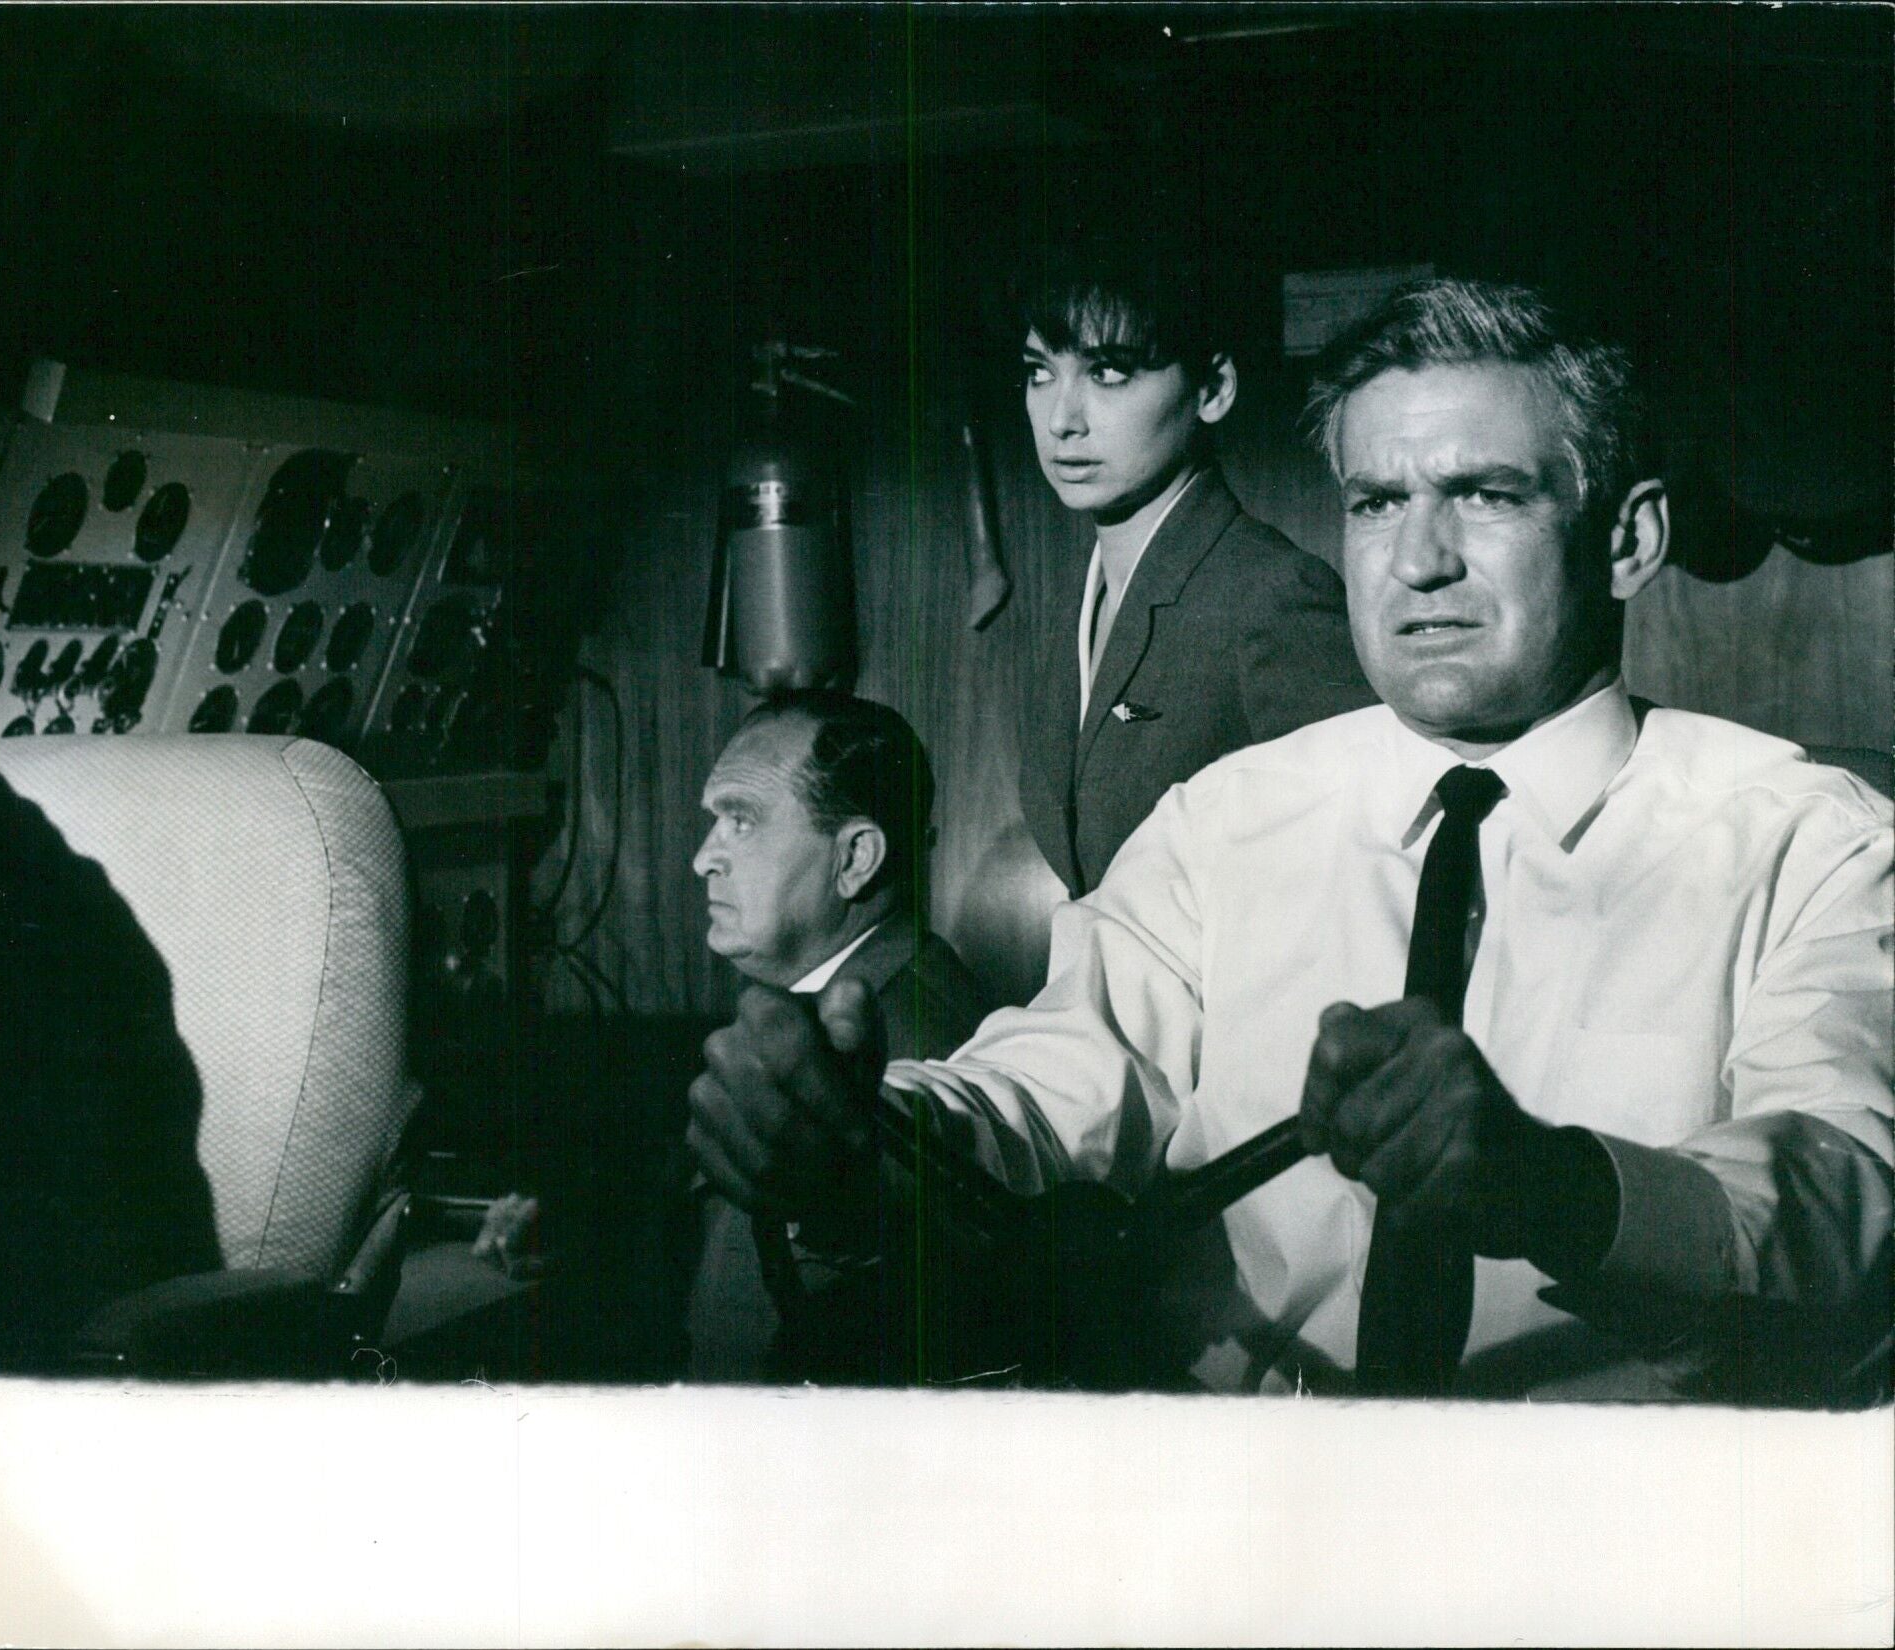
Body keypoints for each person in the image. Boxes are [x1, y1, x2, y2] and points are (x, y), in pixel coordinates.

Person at [687, 278, 1894, 1403]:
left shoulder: (1808, 842)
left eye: (1484, 494)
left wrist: (1555, 1183)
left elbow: (1844, 1200)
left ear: (1627, 541)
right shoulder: (1221, 825)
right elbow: (1052, 1080)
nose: (1417, 561)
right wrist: (875, 1137)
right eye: (1376, 503)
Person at [476, 691, 987, 1381]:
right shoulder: (851, 999)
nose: (701, 859)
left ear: (856, 858)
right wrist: (580, 1226)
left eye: (741, 823)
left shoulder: (921, 1050)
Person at [1015, 232, 1375, 897]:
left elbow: (1363, 879)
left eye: (1109, 371)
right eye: (1040, 372)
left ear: (1211, 389)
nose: (1062, 419)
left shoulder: (1272, 595)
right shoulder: (1077, 604)